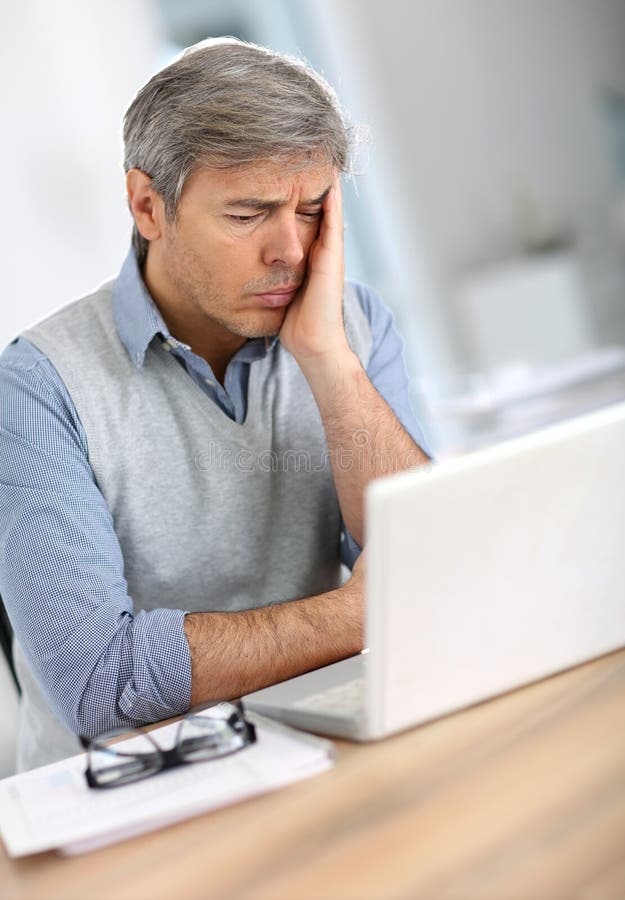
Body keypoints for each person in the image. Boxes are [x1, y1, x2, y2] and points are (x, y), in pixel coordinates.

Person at [0, 38, 430, 771]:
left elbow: (425, 565)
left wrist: (328, 361)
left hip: (313, 741)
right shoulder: (35, 389)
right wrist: (357, 612)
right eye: (247, 214)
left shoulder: (350, 325)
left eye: (313, 209)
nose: (291, 251)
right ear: (148, 206)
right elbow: (103, 682)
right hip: (122, 795)